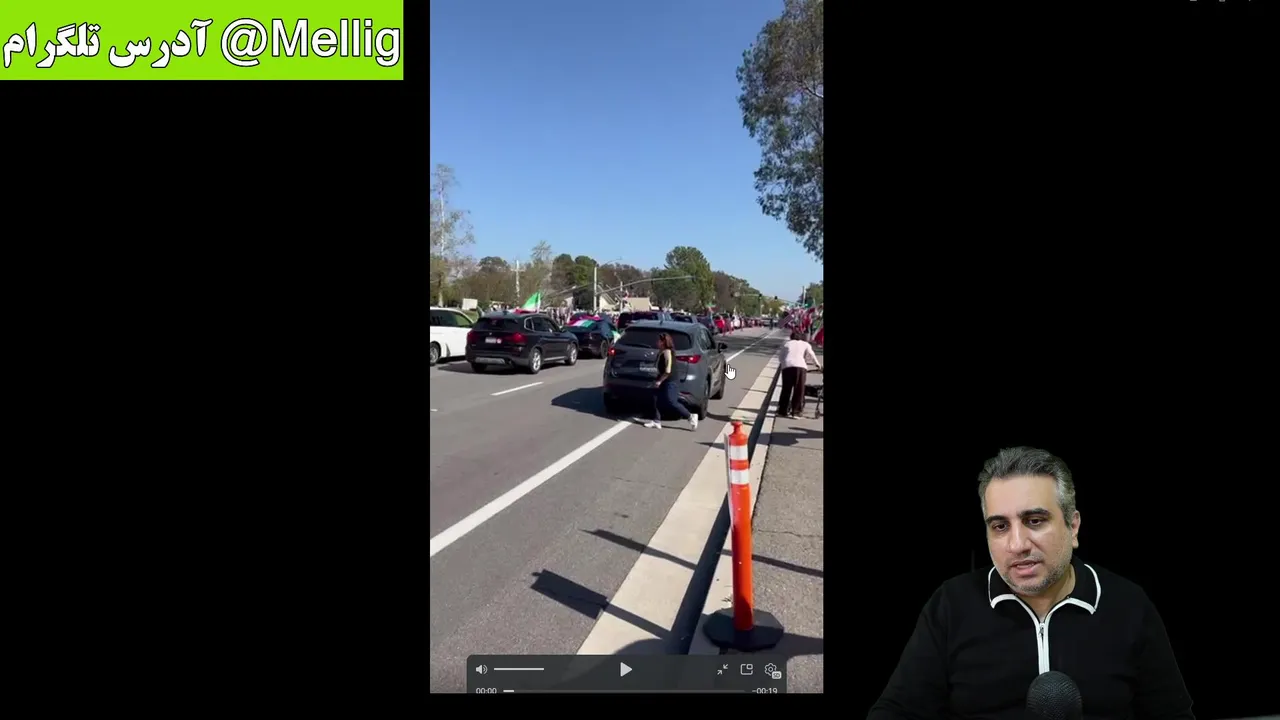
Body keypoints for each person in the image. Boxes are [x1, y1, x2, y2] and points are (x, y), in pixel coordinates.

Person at [868, 447, 1194, 720]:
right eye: (1000, 526)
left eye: (1034, 521)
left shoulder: (1129, 606)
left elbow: (1172, 715)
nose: (1017, 545)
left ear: (1073, 526)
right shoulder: (951, 605)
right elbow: (896, 712)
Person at [645, 333, 696, 431]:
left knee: (672, 401)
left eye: (659, 341)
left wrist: (659, 381)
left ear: (663, 342)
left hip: (670, 380)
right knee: (656, 397)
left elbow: (668, 370)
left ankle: (690, 416)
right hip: (663, 378)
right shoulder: (662, 351)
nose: (657, 342)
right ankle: (656, 420)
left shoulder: (667, 352)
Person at [777, 331, 821, 418]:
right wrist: (817, 364)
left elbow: (780, 357)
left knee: (786, 389)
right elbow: (812, 355)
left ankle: (782, 411)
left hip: (787, 367)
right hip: (800, 367)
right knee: (799, 390)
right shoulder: (805, 344)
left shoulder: (787, 344)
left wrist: (784, 364)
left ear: (791, 337)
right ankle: (796, 412)